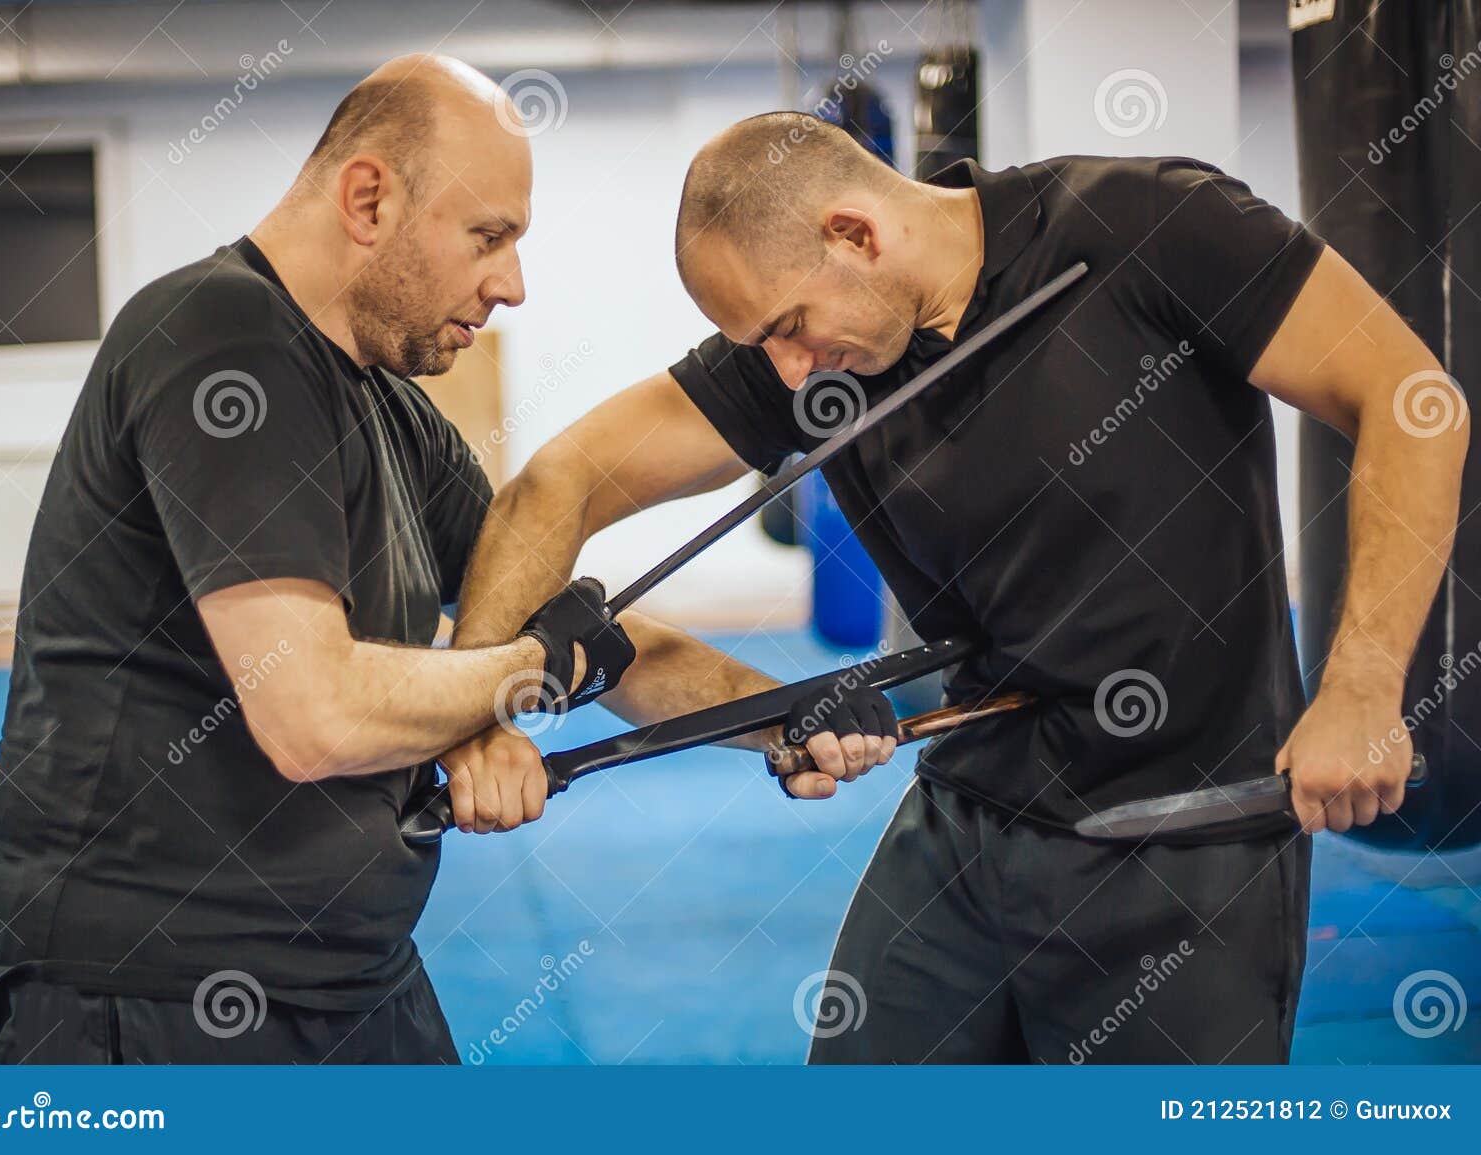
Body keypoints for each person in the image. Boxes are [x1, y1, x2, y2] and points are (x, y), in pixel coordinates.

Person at [445, 113, 1465, 1063]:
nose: (794, 376)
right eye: (767, 347)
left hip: (1188, 841)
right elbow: (558, 482)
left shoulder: (1144, 226)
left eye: (792, 328)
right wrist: (478, 712)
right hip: (968, 819)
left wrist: (1365, 688)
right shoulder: (806, 355)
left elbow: (1411, 401)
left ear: (855, 233)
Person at [0, 57, 889, 1066]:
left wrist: (776, 715)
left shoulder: (393, 412)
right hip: (148, 989)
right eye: (488, 238)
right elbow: (313, 714)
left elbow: (590, 633)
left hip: (347, 973)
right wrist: (524, 680)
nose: (513, 284)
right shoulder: (218, 341)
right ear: (368, 198)